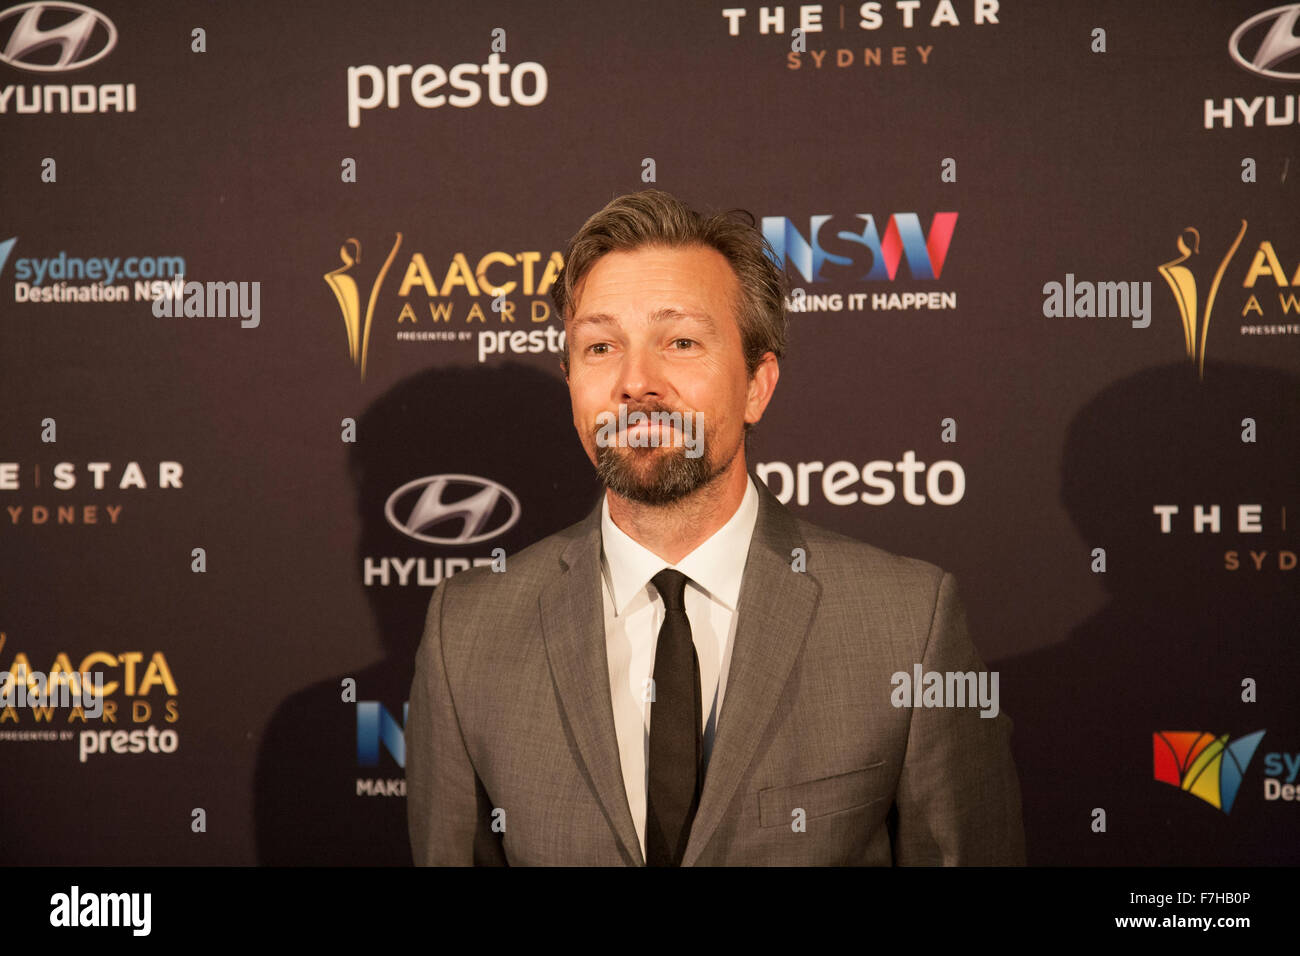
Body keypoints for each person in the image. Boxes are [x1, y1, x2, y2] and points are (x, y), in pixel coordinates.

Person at [406, 188, 1025, 865]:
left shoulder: (907, 623)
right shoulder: (466, 632)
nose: (636, 381)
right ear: (572, 381)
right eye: (601, 345)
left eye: (680, 341)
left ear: (758, 384)